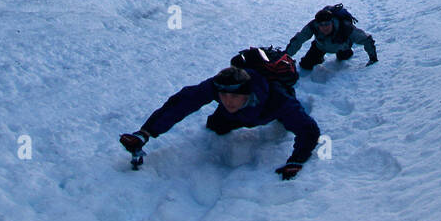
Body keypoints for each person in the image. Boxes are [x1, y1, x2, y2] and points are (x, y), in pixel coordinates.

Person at [119, 64, 320, 180]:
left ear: (247, 93)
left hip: (266, 113)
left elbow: (308, 129)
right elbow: (181, 103)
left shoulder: (278, 100)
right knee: (216, 126)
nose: (227, 100)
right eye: (223, 95)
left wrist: (296, 161)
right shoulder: (219, 87)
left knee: (287, 122)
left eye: (233, 96)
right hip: (236, 116)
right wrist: (145, 133)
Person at [286, 5, 378, 71]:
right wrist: (286, 55)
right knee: (306, 65)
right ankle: (320, 58)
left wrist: (373, 58)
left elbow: (366, 39)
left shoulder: (345, 27)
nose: (324, 27)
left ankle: (348, 52)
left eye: (327, 24)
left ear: (332, 22)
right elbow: (299, 39)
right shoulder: (313, 25)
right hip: (320, 46)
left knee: (343, 57)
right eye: (321, 25)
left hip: (342, 47)